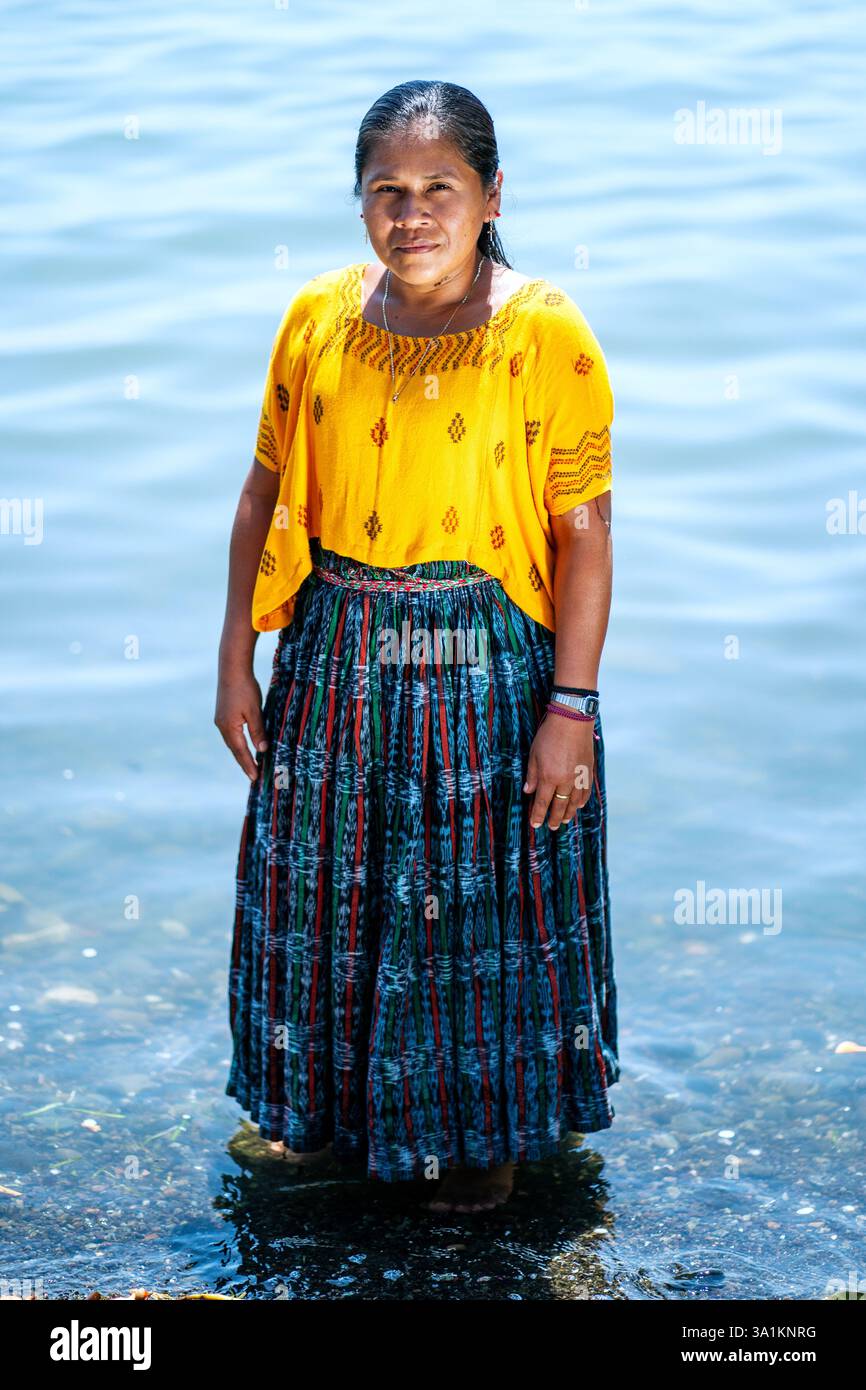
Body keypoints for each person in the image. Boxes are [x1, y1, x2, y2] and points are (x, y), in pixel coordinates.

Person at [215, 79, 619, 1214]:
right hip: (332, 654)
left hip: (485, 669)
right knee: (328, 898)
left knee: (475, 903)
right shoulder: (315, 318)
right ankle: (335, 1120)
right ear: (357, 206)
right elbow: (259, 494)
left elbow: (582, 538)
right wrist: (231, 661)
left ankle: (480, 1150)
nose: (412, 213)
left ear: (492, 195)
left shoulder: (542, 332)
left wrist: (568, 712)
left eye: (440, 187)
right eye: (385, 190)